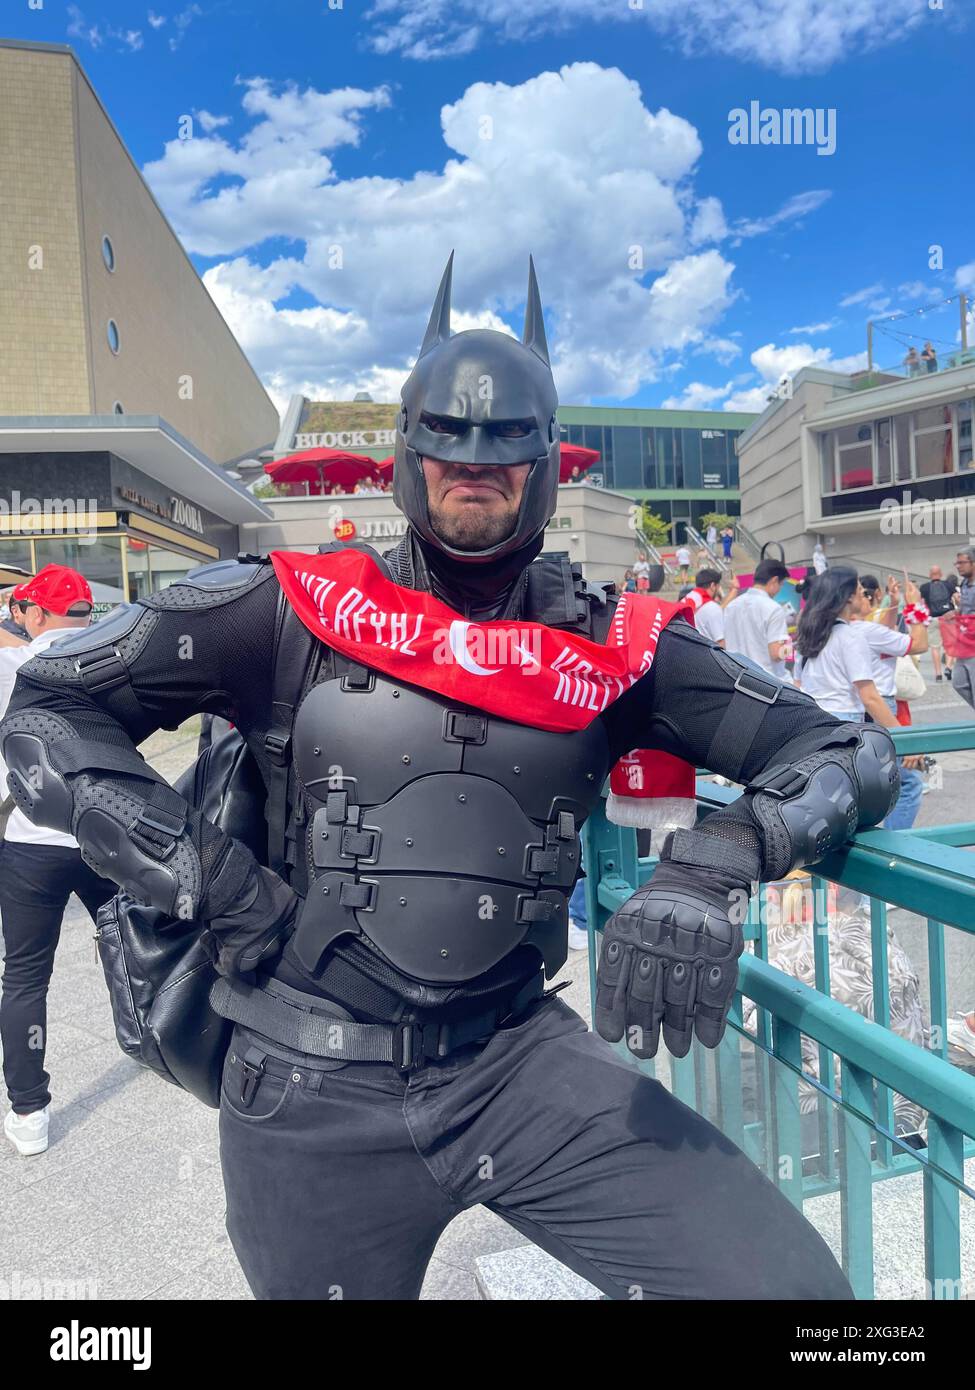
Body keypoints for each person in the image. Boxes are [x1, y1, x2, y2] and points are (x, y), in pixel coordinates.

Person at [1, 256, 892, 1302]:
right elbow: (50, 706)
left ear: (544, 462)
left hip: (517, 1060)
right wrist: (204, 875)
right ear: (409, 452)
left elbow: (847, 749)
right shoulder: (282, 606)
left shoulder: (618, 644)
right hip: (305, 1079)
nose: (475, 464)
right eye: (447, 439)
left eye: (506, 442)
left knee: (794, 1298)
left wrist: (718, 861)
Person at [0, 565, 115, 1156]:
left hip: (30, 844)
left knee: (24, 975)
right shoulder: (116, 660)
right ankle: (154, 1039)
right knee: (134, 945)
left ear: (37, 614)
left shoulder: (12, 667)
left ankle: (29, 1111)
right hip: (108, 835)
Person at [852, 581, 929, 830]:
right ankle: (895, 850)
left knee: (867, 782)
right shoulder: (866, 631)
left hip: (856, 709)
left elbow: (884, 633)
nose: (866, 597)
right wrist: (914, 605)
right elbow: (919, 644)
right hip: (879, 706)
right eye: (861, 593)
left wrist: (894, 603)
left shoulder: (846, 630)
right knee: (908, 783)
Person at [723, 559, 791, 679]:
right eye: (781, 584)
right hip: (768, 682)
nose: (779, 589)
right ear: (774, 580)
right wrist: (790, 647)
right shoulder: (773, 608)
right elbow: (777, 653)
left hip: (737, 679)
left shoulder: (731, 606)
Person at [947, 547, 975, 709]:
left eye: (962, 562)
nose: (958, 566)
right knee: (959, 683)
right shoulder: (964, 584)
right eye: (956, 563)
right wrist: (956, 612)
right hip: (965, 643)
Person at [919, 565, 957, 682]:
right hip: (948, 618)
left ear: (930, 575)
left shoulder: (924, 587)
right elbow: (958, 598)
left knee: (935, 647)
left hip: (933, 618)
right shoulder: (948, 585)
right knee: (951, 645)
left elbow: (921, 604)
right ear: (941, 574)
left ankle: (938, 674)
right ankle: (949, 667)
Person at [685, 568, 725, 647]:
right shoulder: (713, 608)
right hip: (709, 655)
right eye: (718, 586)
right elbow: (720, 642)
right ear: (713, 586)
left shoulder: (691, 602)